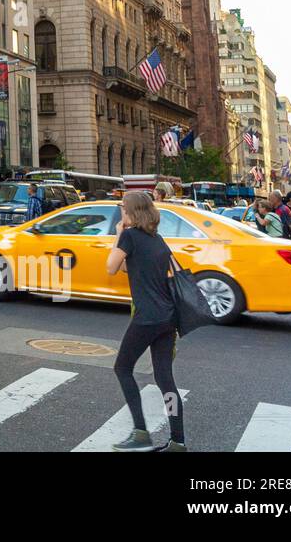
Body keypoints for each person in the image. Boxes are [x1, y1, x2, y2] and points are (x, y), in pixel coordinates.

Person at [106, 190, 186, 452]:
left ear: (130, 212)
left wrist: (119, 233)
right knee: (165, 378)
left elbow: (110, 267)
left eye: (122, 208)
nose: (121, 211)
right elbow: (132, 267)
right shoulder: (157, 239)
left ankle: (140, 432)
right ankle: (178, 441)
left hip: (148, 318)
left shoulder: (129, 236)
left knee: (123, 368)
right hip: (168, 318)